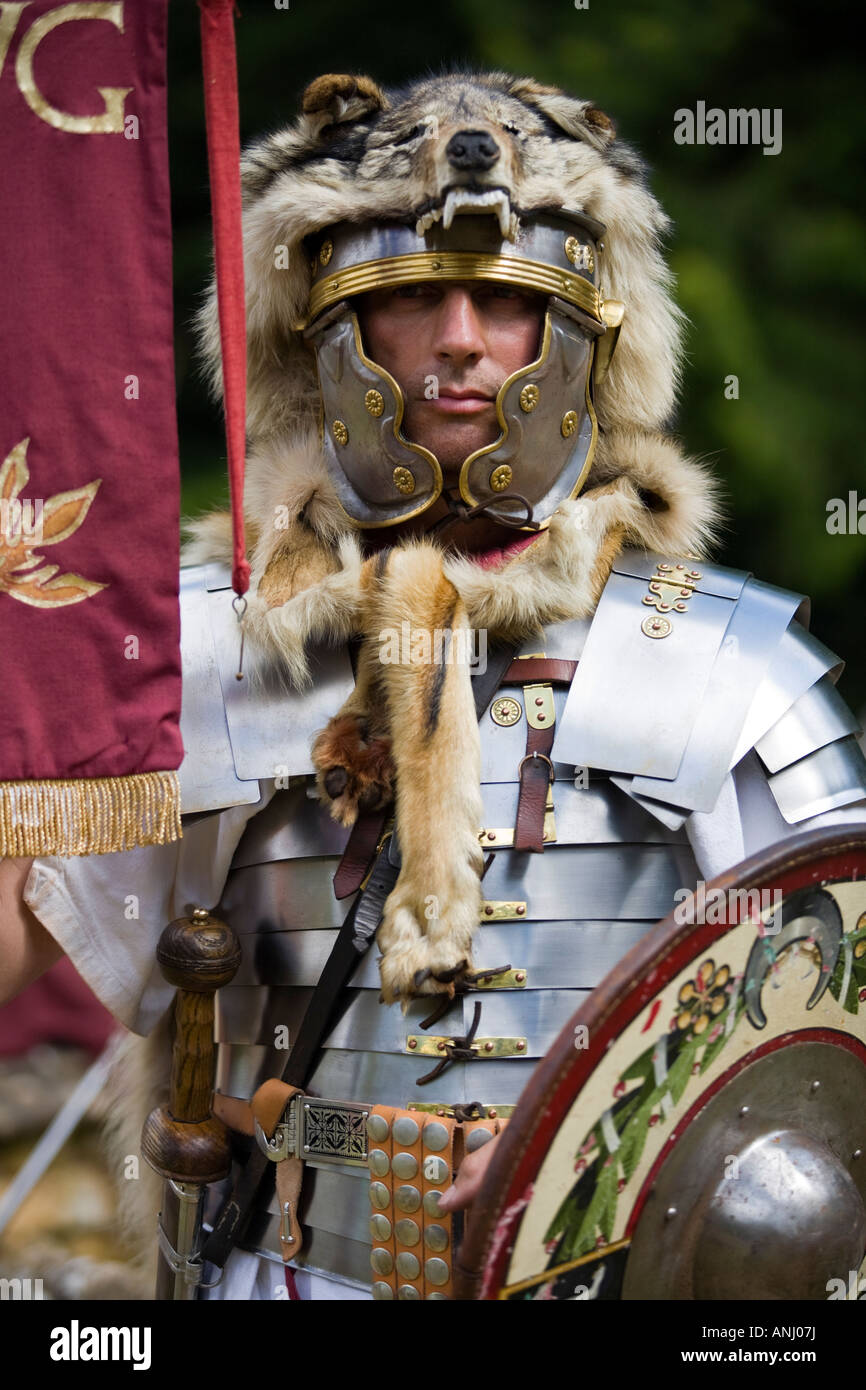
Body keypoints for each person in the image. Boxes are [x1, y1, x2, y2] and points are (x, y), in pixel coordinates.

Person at [2, 70, 865, 1301]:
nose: (459, 339)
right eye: (409, 295)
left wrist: (590, 1183)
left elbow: (835, 1044)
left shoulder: (730, 672)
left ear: (575, 336)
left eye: (504, 302)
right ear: (328, 335)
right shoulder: (193, 656)